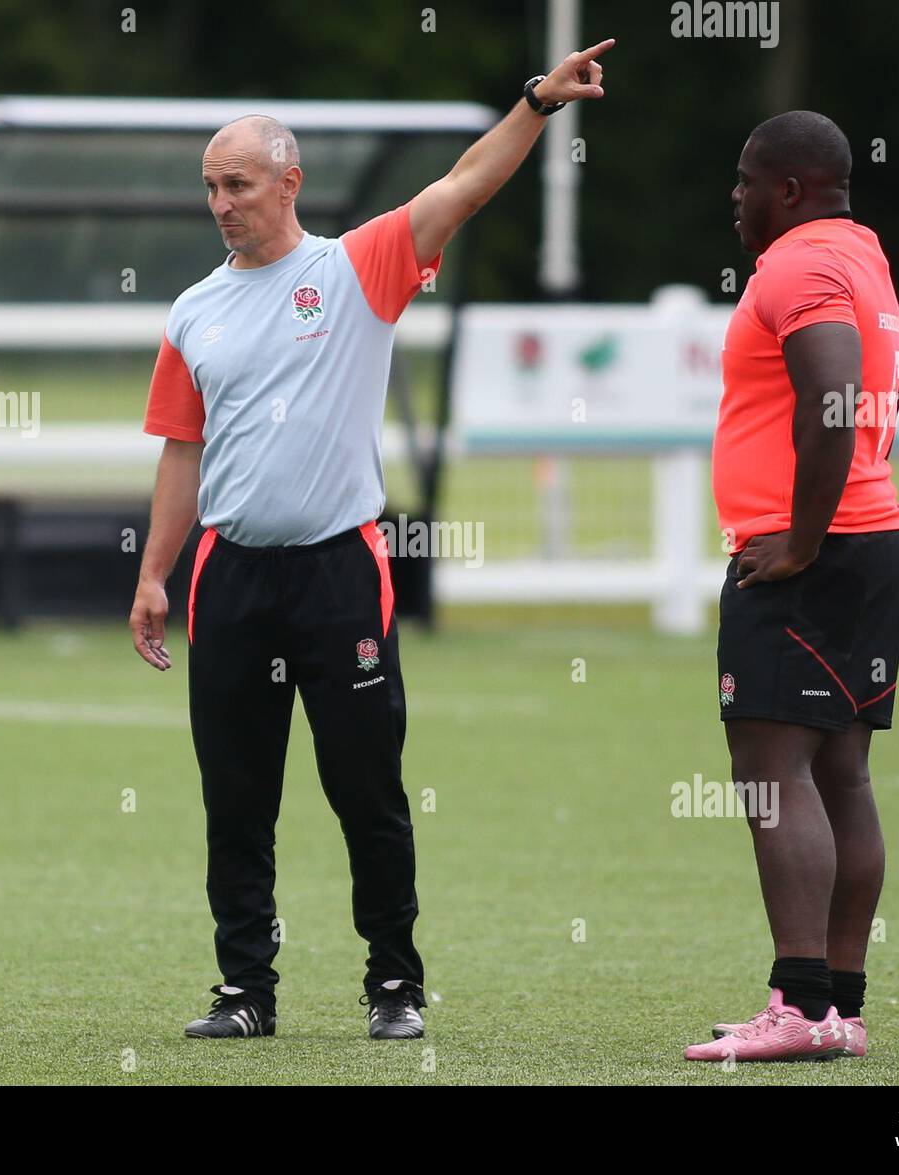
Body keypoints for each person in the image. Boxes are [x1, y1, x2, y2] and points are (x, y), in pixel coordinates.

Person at [128, 41, 614, 1041]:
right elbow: (182, 451)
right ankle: (243, 990)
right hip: (230, 574)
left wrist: (534, 101)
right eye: (211, 186)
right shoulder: (192, 312)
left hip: (338, 570)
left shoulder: (357, 266)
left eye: (240, 183)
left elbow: (464, 186)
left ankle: (394, 981)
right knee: (236, 796)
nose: (221, 202)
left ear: (288, 182)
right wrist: (153, 576)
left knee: (365, 788)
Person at [685, 110, 899, 1062]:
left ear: (788, 188)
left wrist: (799, 540)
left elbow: (832, 396)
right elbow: (877, 397)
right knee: (840, 773)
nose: (734, 197)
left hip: (812, 556)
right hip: (874, 541)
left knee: (773, 779)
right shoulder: (863, 253)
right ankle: (839, 1007)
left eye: (745, 180)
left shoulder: (796, 264)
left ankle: (799, 1007)